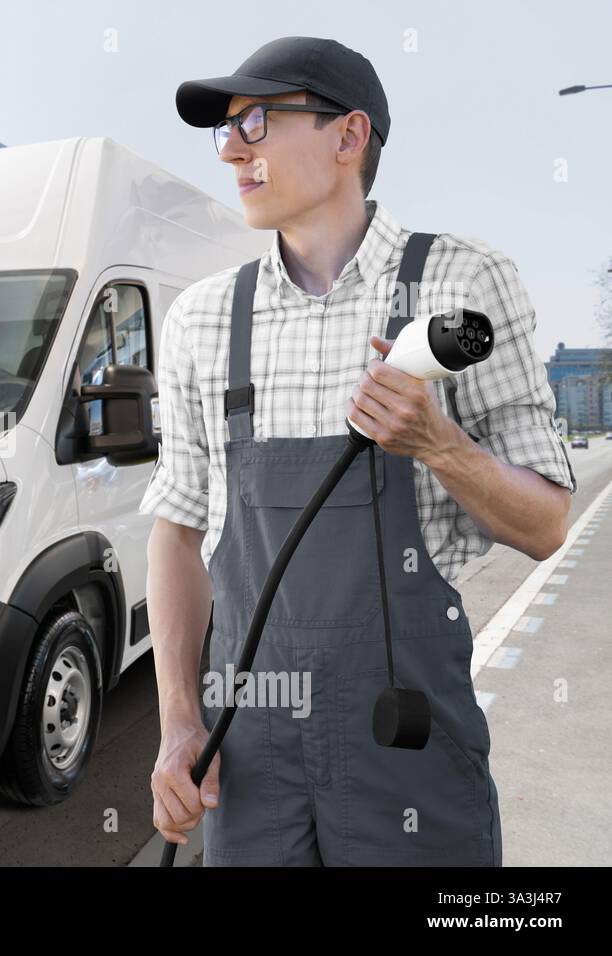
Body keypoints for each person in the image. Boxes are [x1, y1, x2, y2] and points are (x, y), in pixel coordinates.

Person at [143, 36, 576, 866]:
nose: (232, 148)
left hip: (407, 745)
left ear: (348, 138)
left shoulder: (466, 282)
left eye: (258, 122)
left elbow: (548, 522)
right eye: (225, 131)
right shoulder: (202, 320)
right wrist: (179, 726)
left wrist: (439, 445)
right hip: (250, 755)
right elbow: (177, 530)